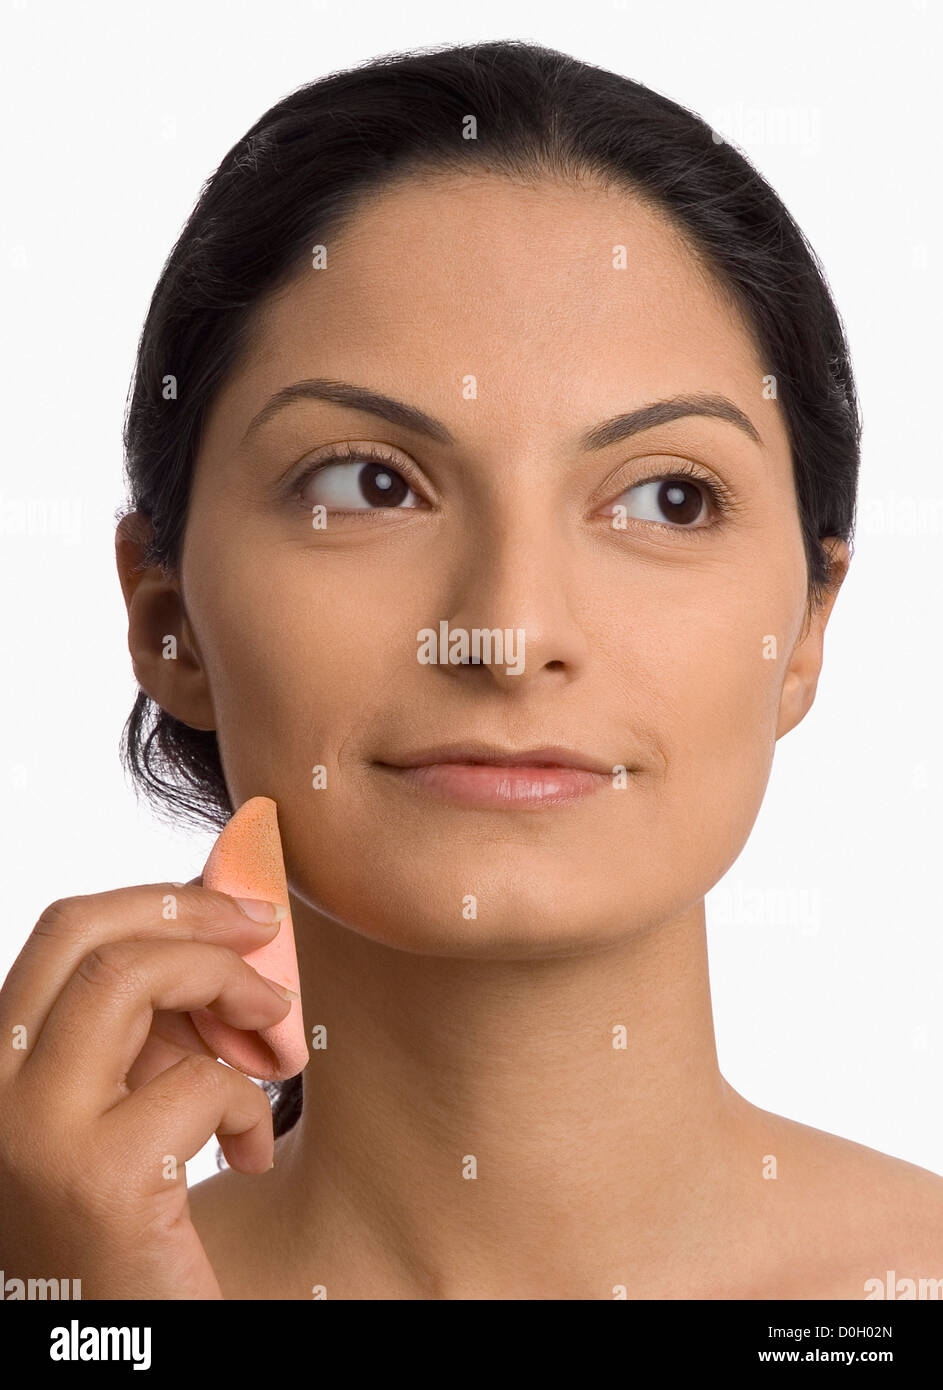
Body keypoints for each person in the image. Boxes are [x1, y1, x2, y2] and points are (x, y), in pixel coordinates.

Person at [3, 39, 941, 1300]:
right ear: (167, 621)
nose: (508, 632)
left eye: (666, 498)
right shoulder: (70, 1300)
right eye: (368, 484)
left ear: (809, 627)